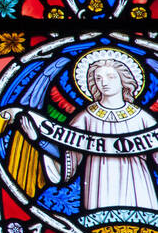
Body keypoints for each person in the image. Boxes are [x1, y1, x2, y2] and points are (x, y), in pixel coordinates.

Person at [23, 52, 158, 211]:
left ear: (124, 80)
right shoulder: (85, 118)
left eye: (110, 77)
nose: (104, 83)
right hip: (98, 182)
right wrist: (39, 142)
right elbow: (69, 163)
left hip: (139, 181)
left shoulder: (143, 118)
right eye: (98, 78)